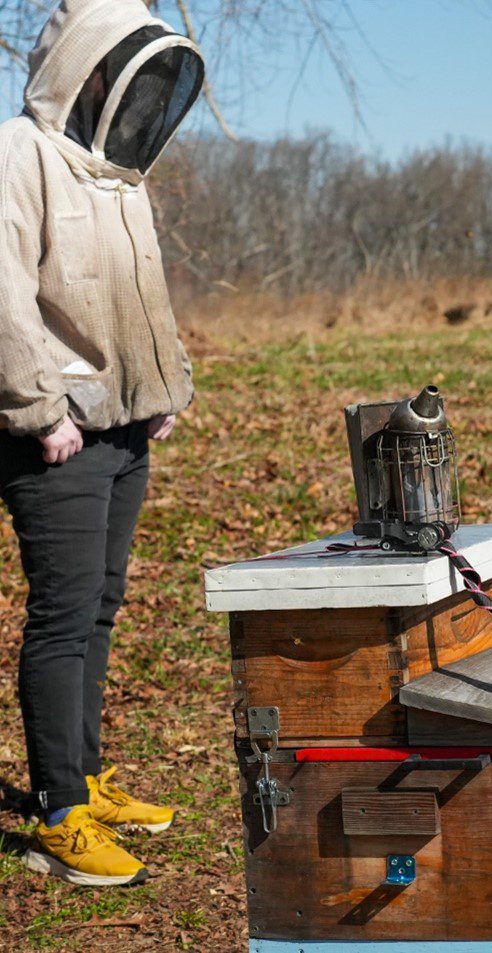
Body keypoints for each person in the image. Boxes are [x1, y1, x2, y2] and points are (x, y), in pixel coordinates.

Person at [0, 0, 207, 886]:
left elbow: (142, 295)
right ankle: (60, 815)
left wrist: (166, 388)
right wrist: (40, 411)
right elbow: (3, 297)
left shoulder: (122, 175)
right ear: (84, 65)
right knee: (62, 614)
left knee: (100, 609)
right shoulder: (20, 152)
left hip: (125, 429)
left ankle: (84, 778)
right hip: (57, 436)